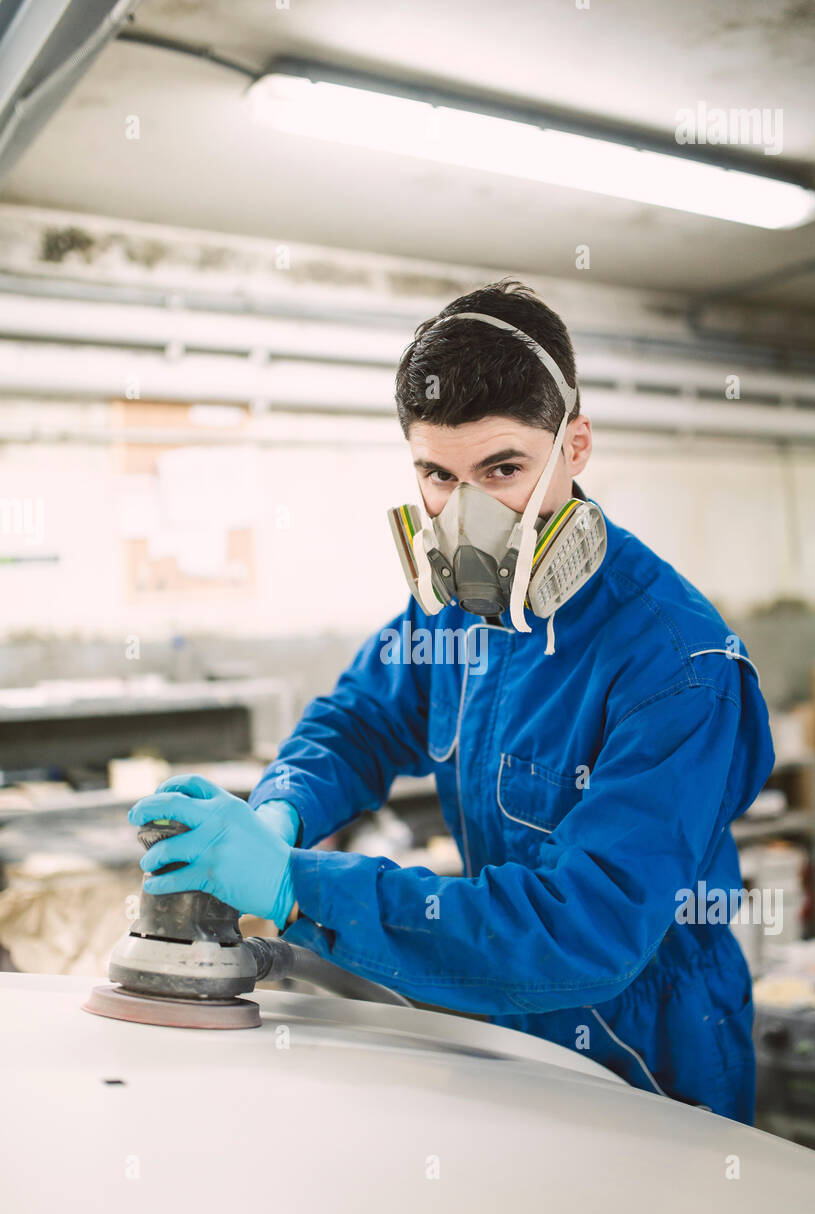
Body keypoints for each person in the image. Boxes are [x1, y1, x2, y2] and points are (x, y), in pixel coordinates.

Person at [130, 279, 775, 1124]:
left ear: (574, 447)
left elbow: (584, 930)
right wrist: (279, 813)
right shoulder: (460, 613)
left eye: (501, 469)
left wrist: (295, 887)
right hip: (505, 1020)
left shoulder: (678, 664)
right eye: (436, 474)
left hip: (652, 1053)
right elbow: (359, 722)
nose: (464, 517)